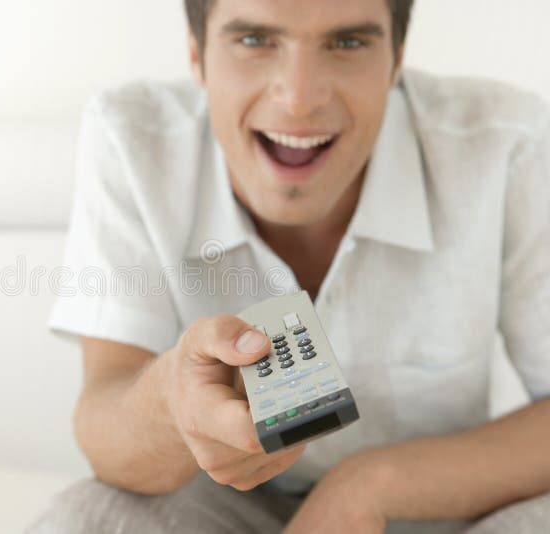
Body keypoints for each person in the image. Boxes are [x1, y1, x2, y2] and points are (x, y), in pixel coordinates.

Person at [28, 0, 550, 532]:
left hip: (437, 506)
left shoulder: (507, 142)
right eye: (254, 40)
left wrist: (366, 488)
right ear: (196, 54)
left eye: (347, 43)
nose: (299, 100)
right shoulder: (132, 137)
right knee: (88, 516)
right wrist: (170, 403)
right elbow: (104, 425)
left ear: (397, 60)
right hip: (227, 507)